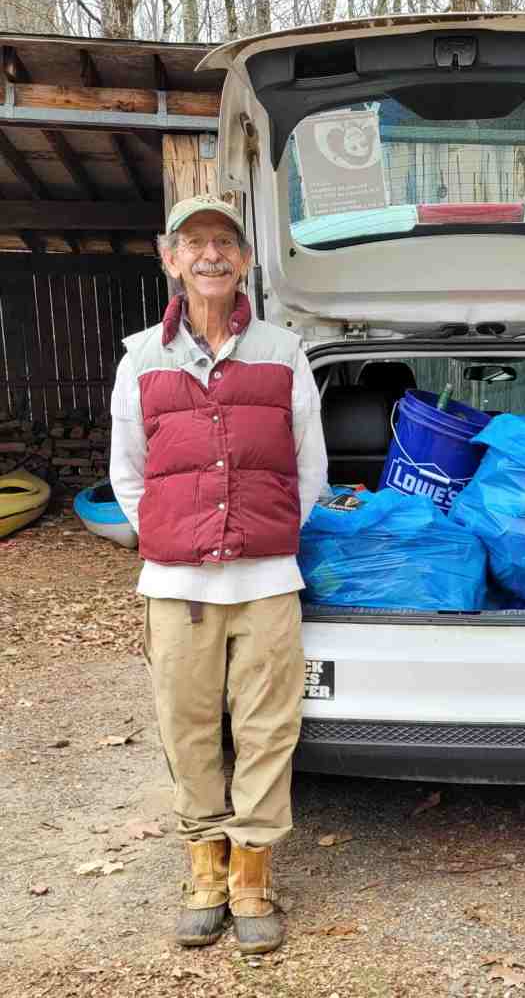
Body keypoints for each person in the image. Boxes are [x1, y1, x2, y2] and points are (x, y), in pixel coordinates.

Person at [109, 194, 326, 954]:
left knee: (268, 730)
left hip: (266, 582)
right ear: (169, 258)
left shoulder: (283, 350)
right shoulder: (139, 356)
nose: (210, 255)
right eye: (193, 243)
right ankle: (205, 867)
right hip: (176, 587)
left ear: (243, 261)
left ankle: (252, 875)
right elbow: (127, 475)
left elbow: (312, 470)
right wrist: (175, 535)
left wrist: (261, 540)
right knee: (189, 730)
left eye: (224, 243)